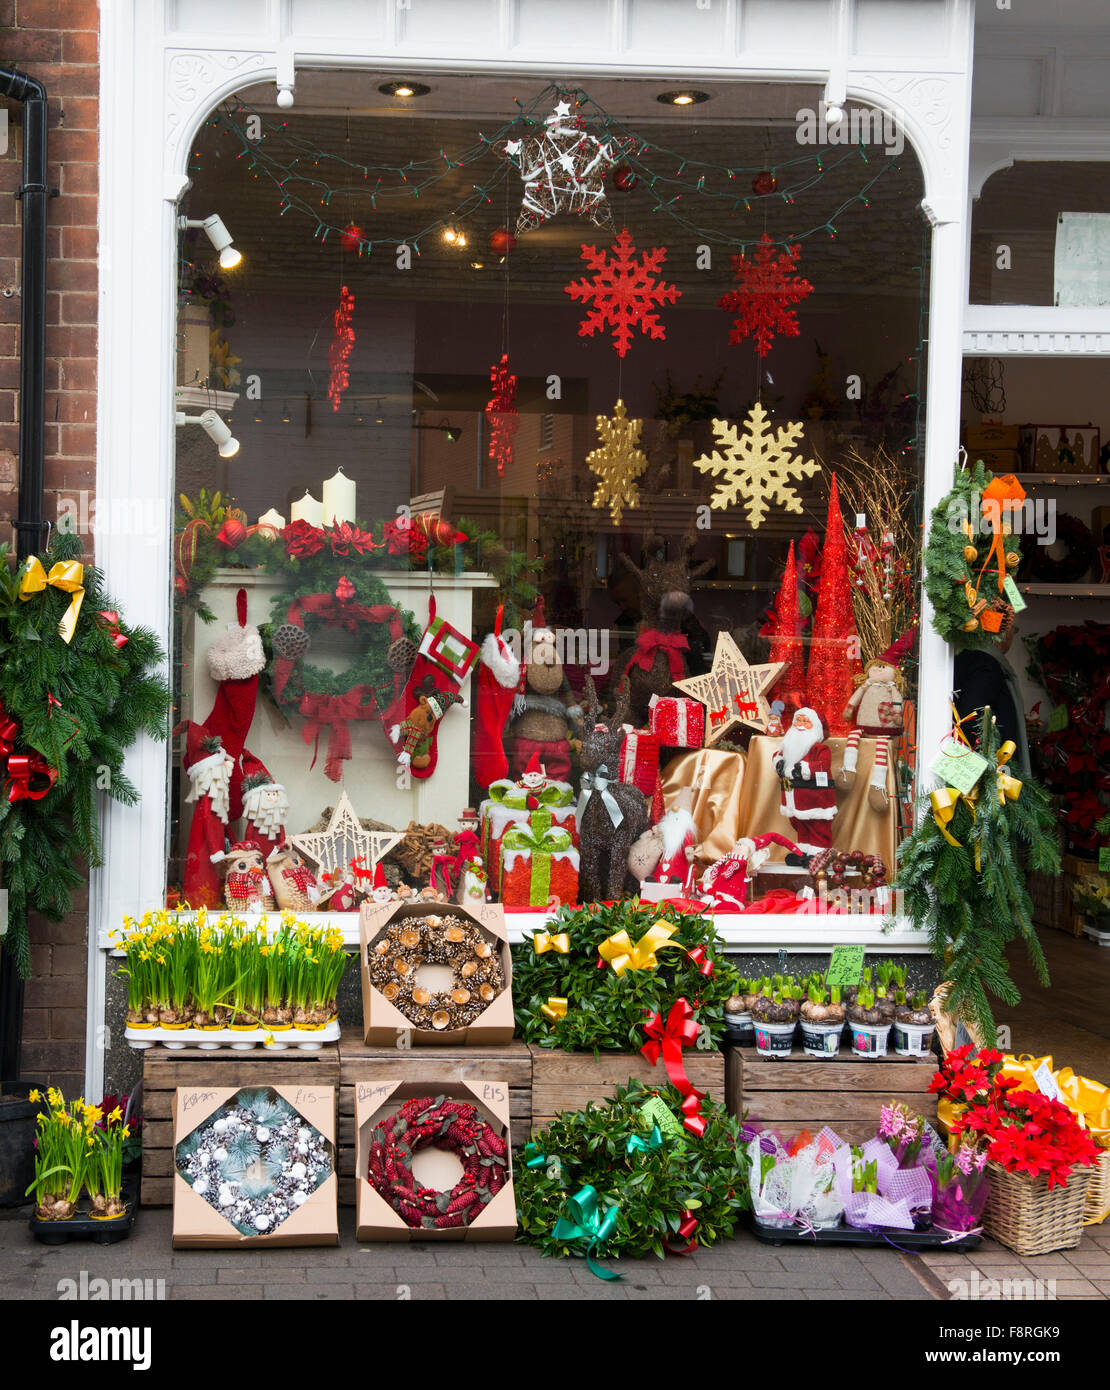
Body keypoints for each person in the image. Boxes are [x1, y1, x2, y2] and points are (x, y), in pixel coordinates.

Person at [953, 605, 1031, 779]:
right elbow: (974, 721)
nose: (1012, 637)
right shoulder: (986, 665)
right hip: (986, 778)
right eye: (1013, 631)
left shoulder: (971, 660)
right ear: (1000, 633)